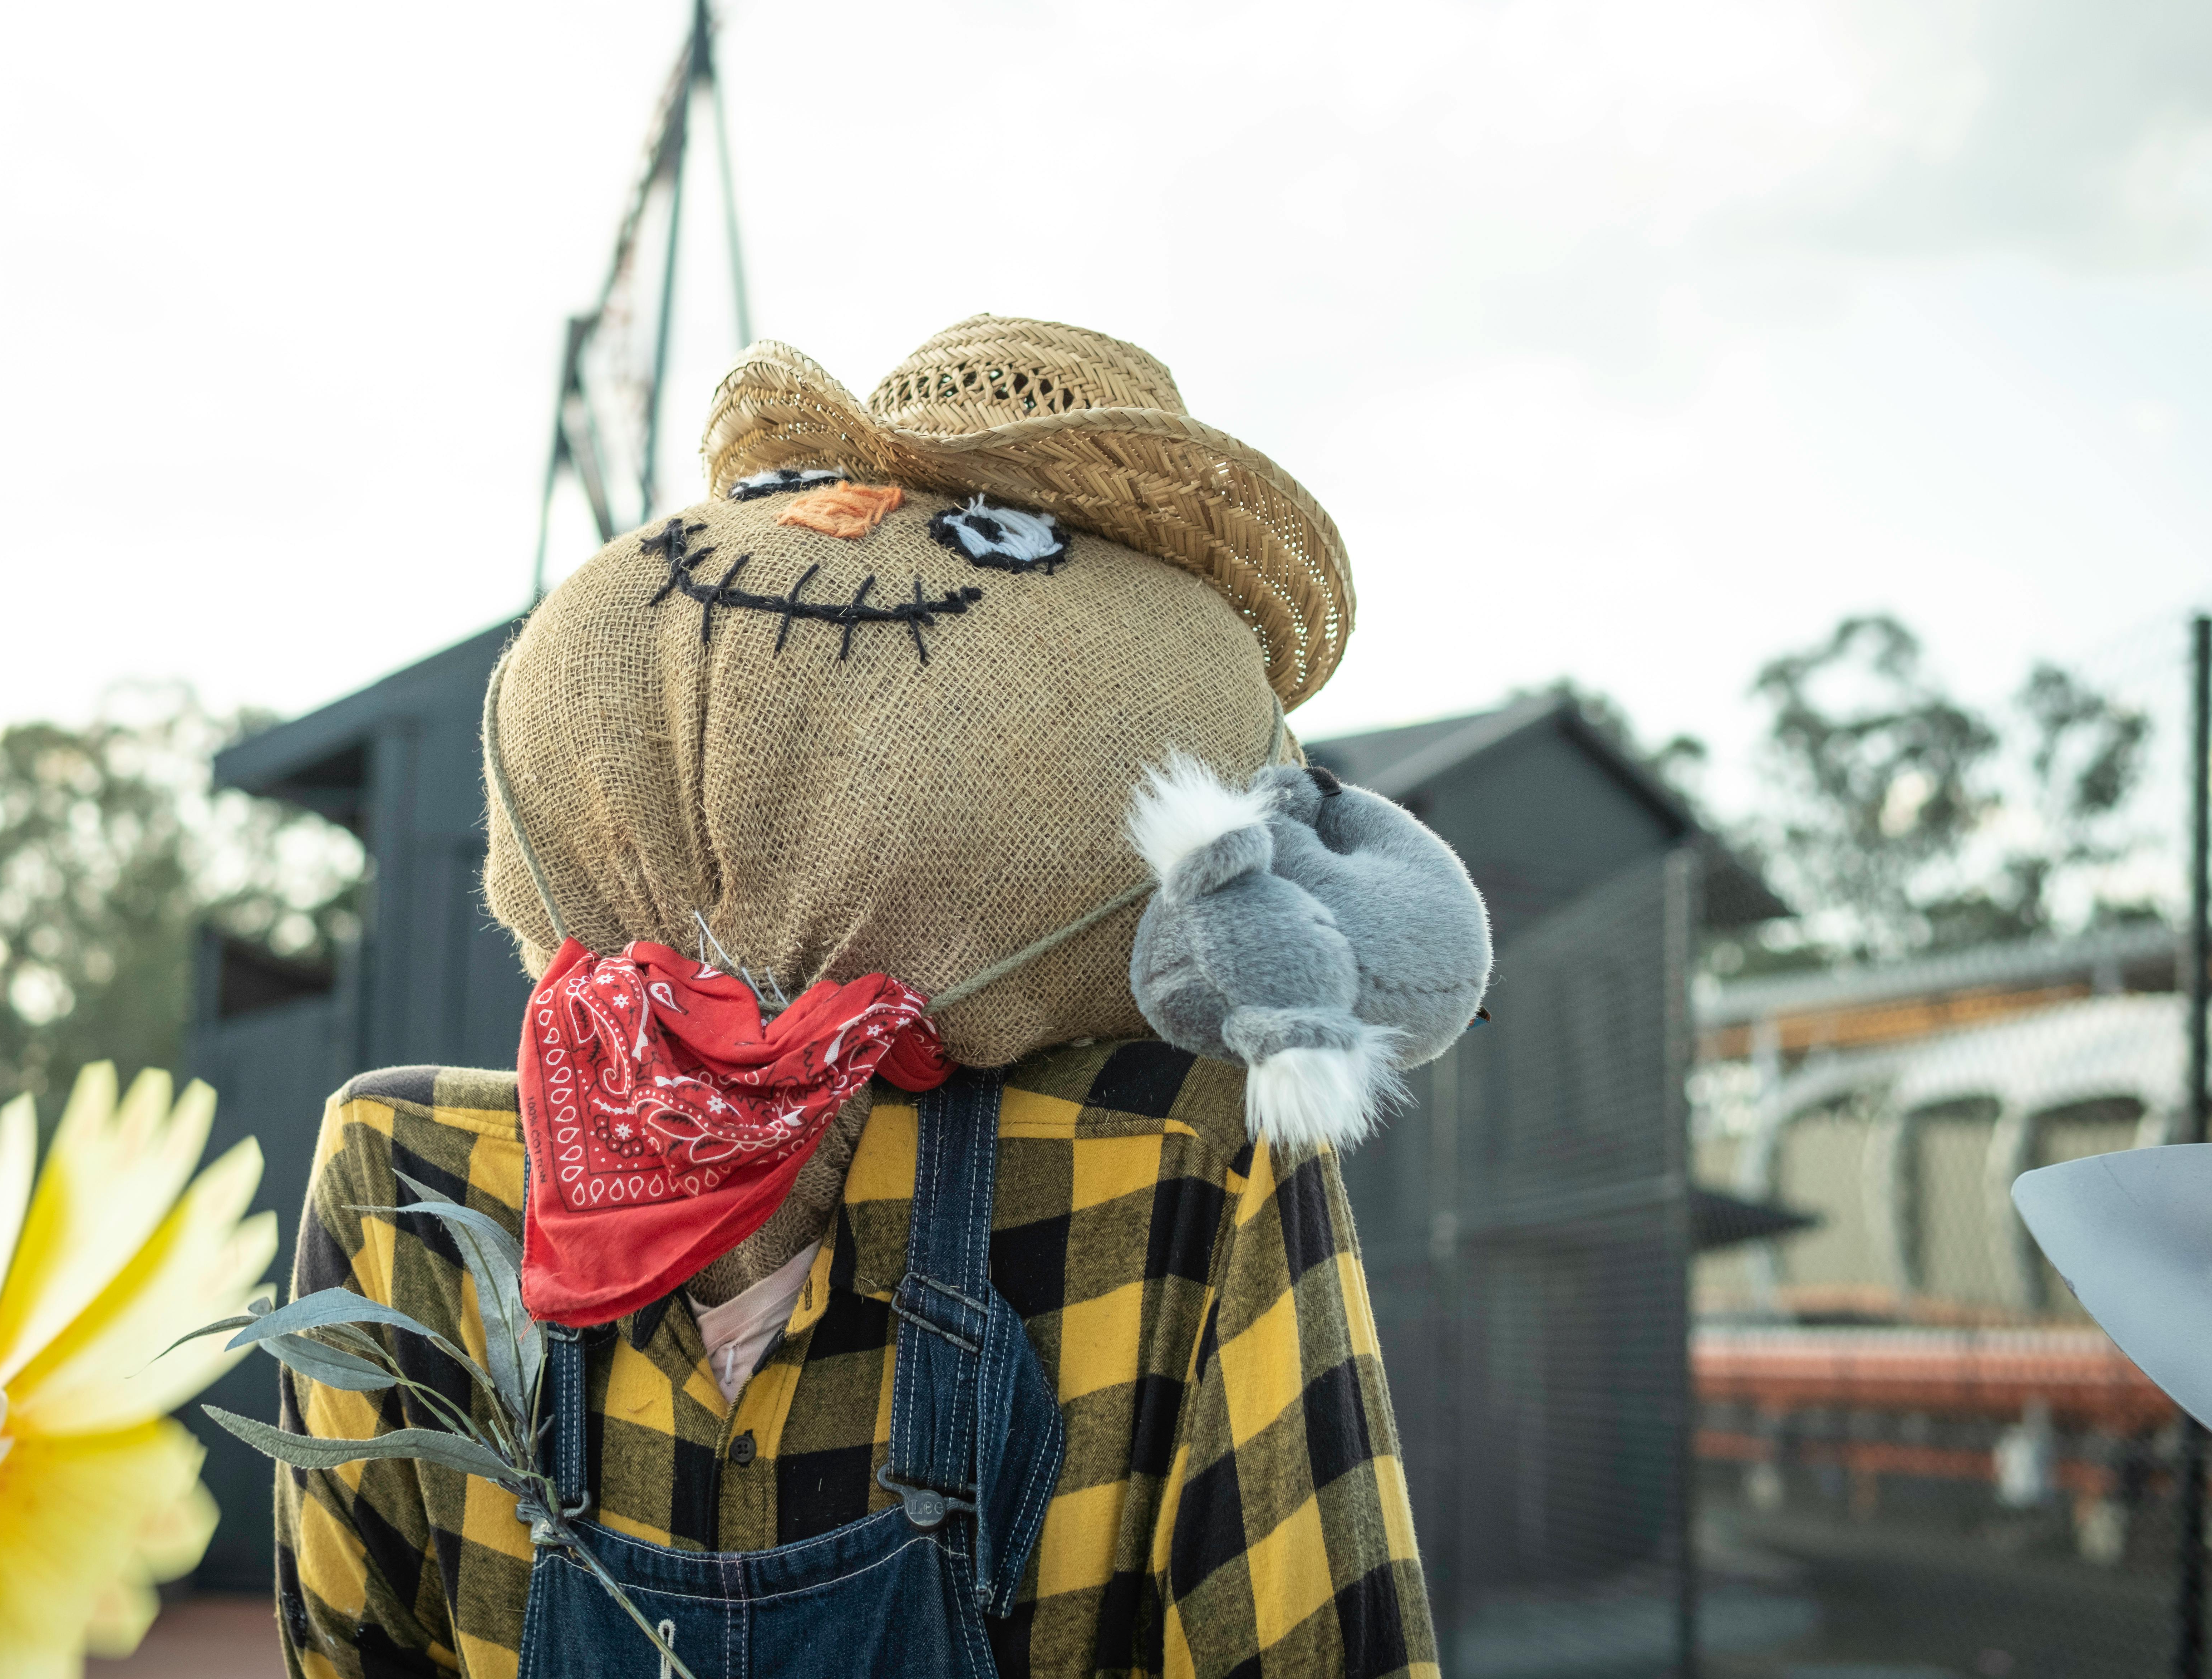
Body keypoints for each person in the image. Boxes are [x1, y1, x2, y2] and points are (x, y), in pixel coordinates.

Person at [272, 317, 1490, 1677]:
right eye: (804, 495)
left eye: (1003, 533)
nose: (853, 525)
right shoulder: (404, 1186)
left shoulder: (1184, 1170)